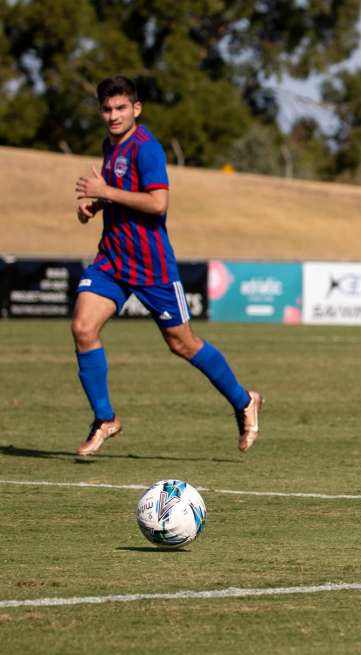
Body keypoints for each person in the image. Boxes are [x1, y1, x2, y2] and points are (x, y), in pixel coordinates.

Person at [71, 75, 262, 456]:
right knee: (82, 327)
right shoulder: (110, 146)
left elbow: (158, 204)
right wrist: (94, 206)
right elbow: (122, 195)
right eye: (107, 109)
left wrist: (105, 192)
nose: (113, 115)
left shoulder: (148, 148)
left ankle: (244, 400)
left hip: (151, 266)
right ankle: (105, 419)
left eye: (121, 108)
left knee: (182, 343)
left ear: (136, 109)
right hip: (111, 260)